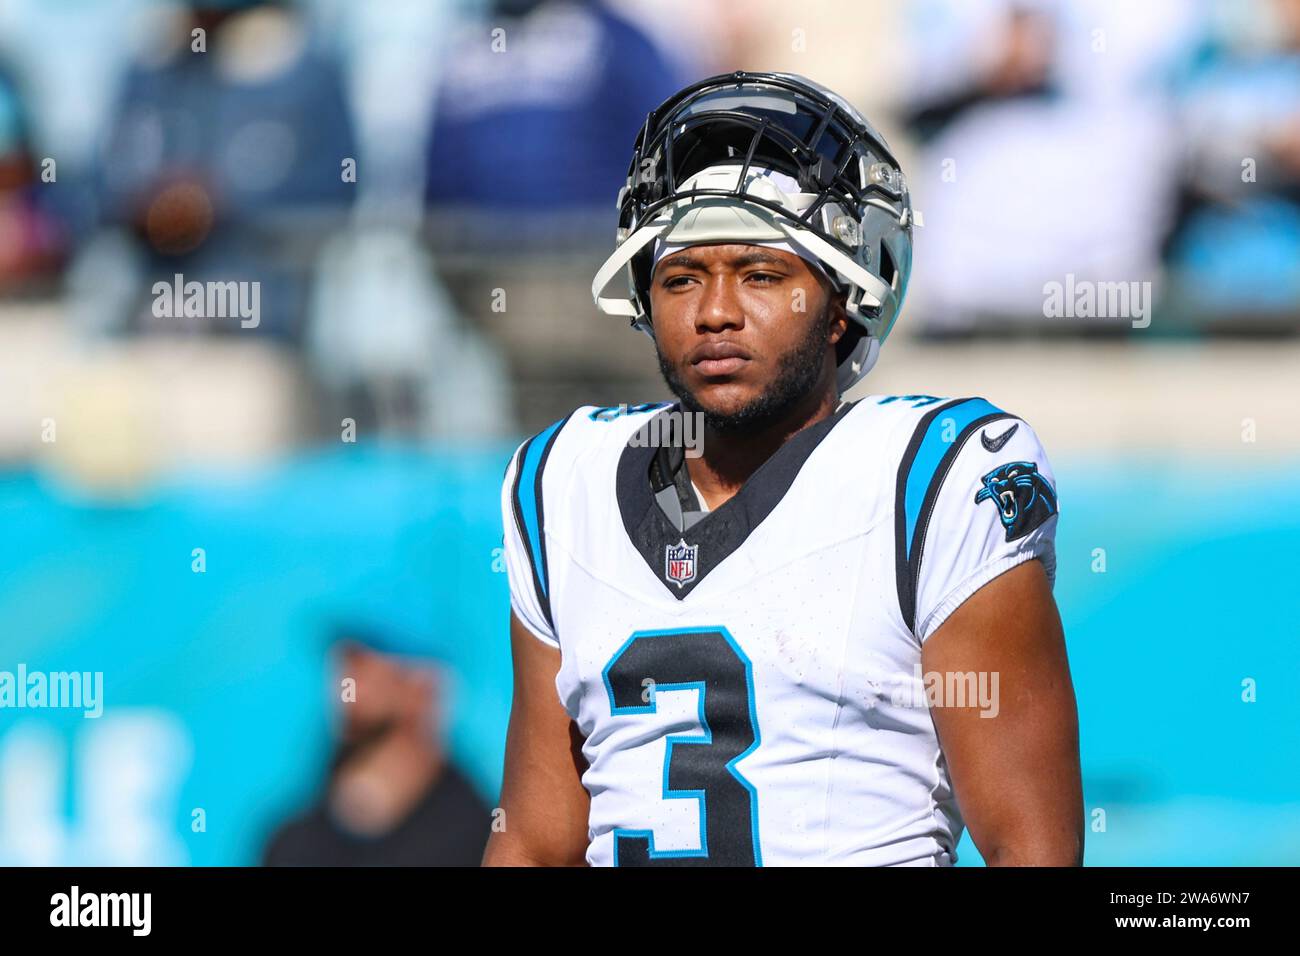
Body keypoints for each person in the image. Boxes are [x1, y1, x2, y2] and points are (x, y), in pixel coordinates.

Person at [485, 71, 1082, 866]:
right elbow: (533, 841)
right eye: (681, 277)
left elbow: (1030, 846)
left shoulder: (930, 477)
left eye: (761, 275)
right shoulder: (564, 479)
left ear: (844, 301)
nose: (715, 311)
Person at [262, 636, 490, 866]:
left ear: (422, 688)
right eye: (346, 661)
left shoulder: (477, 841)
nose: (345, 683)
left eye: (362, 662)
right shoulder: (294, 843)